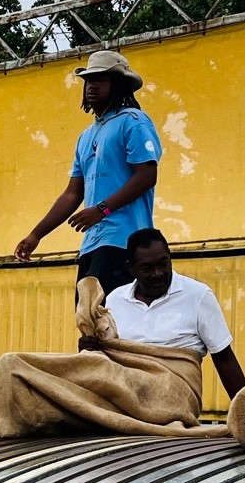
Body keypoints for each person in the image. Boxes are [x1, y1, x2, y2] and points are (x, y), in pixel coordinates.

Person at [14, 48, 162, 298]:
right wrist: (36, 235)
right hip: (91, 244)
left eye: (101, 79)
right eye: (88, 81)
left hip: (124, 242)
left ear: (119, 85)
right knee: (88, 322)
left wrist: (101, 209)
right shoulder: (85, 136)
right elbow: (72, 194)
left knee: (110, 322)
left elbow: (147, 176)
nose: (92, 86)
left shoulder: (134, 121)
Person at [80, 228, 245, 398]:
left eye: (163, 264)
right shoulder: (115, 299)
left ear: (170, 258)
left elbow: (225, 359)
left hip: (175, 392)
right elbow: (109, 355)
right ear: (131, 268)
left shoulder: (198, 295)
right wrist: (90, 350)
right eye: (147, 268)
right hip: (126, 392)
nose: (158, 273)